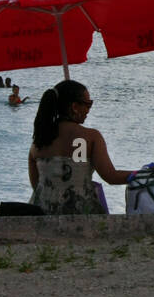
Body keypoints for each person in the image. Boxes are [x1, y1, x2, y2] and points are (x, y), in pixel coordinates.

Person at [28, 79, 135, 215]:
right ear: (74, 107)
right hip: (80, 213)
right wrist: (147, 172)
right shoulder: (90, 137)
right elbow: (111, 177)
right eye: (88, 104)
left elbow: (37, 187)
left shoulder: (38, 142)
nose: (88, 110)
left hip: (42, 214)